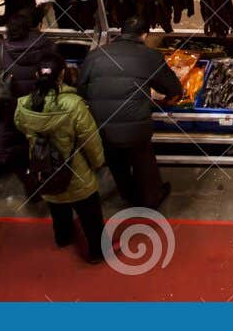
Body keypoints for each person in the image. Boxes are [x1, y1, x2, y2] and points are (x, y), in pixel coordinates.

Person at [77, 16, 183, 211]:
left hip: (100, 126)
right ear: (145, 35)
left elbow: (81, 88)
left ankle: (128, 195)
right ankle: (152, 198)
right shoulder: (149, 56)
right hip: (135, 127)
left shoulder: (95, 55)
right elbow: (174, 89)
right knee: (143, 161)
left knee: (116, 162)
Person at [16, 62, 107, 264]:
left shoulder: (24, 103)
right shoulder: (74, 104)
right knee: (89, 214)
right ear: (62, 75)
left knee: (57, 206)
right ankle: (97, 252)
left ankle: (63, 238)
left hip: (44, 166)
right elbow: (89, 139)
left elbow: (21, 127)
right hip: (76, 168)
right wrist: (97, 162)